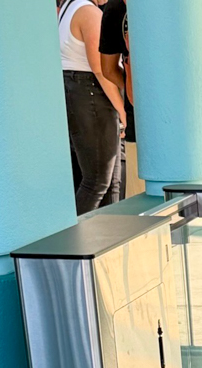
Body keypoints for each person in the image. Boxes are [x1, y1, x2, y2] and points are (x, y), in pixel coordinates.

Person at [59, 0, 124, 213]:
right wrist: (124, 111)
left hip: (78, 95)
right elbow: (101, 70)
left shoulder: (69, 7)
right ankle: (71, 242)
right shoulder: (88, 13)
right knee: (97, 181)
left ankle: (108, 238)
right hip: (90, 96)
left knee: (108, 181)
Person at [98, 0, 144, 198]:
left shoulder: (115, 8)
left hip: (139, 118)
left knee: (143, 198)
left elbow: (107, 69)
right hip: (187, 121)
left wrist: (141, 91)